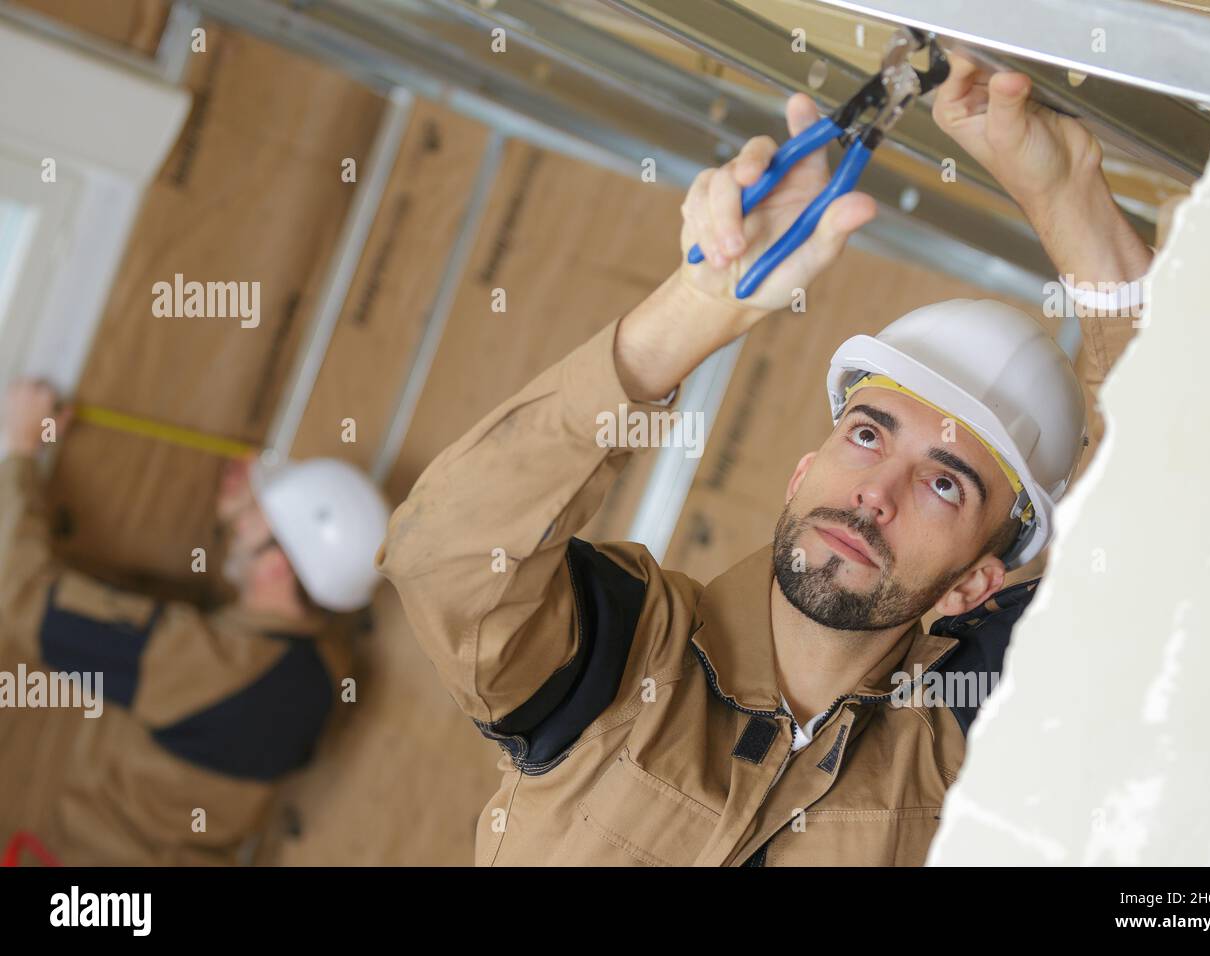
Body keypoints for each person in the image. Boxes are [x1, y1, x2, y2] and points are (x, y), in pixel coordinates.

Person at [378, 57, 1155, 866]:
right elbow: (447, 556)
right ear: (800, 471)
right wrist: (696, 309)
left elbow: (1172, 539)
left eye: (944, 484)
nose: (874, 495)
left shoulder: (962, 758)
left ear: (973, 586)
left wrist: (1072, 208)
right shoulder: (621, 659)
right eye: (866, 434)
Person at [0, 387, 390, 865]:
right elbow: (229, 635)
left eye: (257, 516)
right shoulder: (327, 670)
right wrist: (240, 507)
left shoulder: (200, 663)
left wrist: (19, 448)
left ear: (277, 568)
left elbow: (20, 596)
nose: (243, 520)